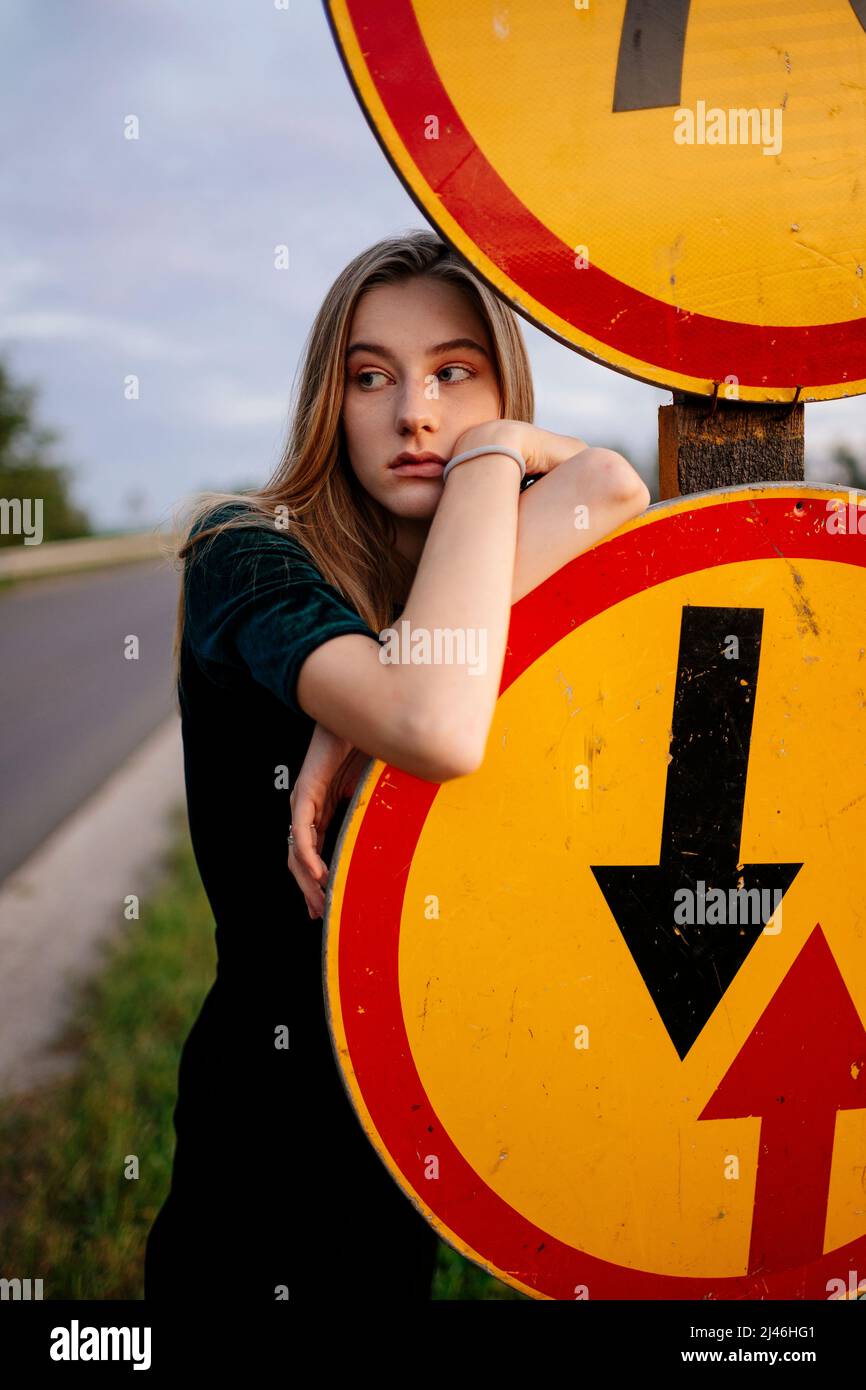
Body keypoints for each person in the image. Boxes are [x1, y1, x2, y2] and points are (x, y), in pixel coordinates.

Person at [143, 229, 650, 1302]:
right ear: (329, 397)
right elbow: (434, 721)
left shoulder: (482, 579)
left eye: (455, 376)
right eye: (369, 376)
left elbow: (609, 484)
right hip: (272, 1122)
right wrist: (490, 458)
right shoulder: (246, 550)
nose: (413, 413)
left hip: (418, 1114)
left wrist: (358, 710)